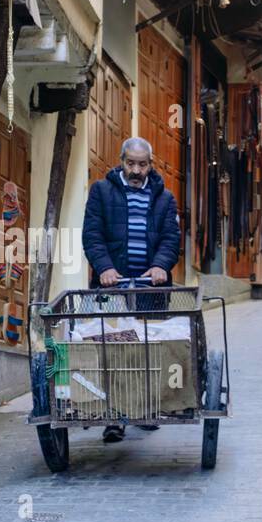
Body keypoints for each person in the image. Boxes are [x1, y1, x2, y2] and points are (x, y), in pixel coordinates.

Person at [82, 136, 181, 442]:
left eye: (143, 164)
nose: (137, 169)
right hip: (113, 287)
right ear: (121, 161)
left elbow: (170, 238)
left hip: (151, 288)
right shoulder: (101, 191)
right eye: (131, 163)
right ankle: (115, 417)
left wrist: (161, 265)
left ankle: (146, 408)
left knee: (149, 349)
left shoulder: (165, 198)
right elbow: (92, 235)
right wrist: (105, 269)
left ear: (151, 165)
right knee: (112, 348)